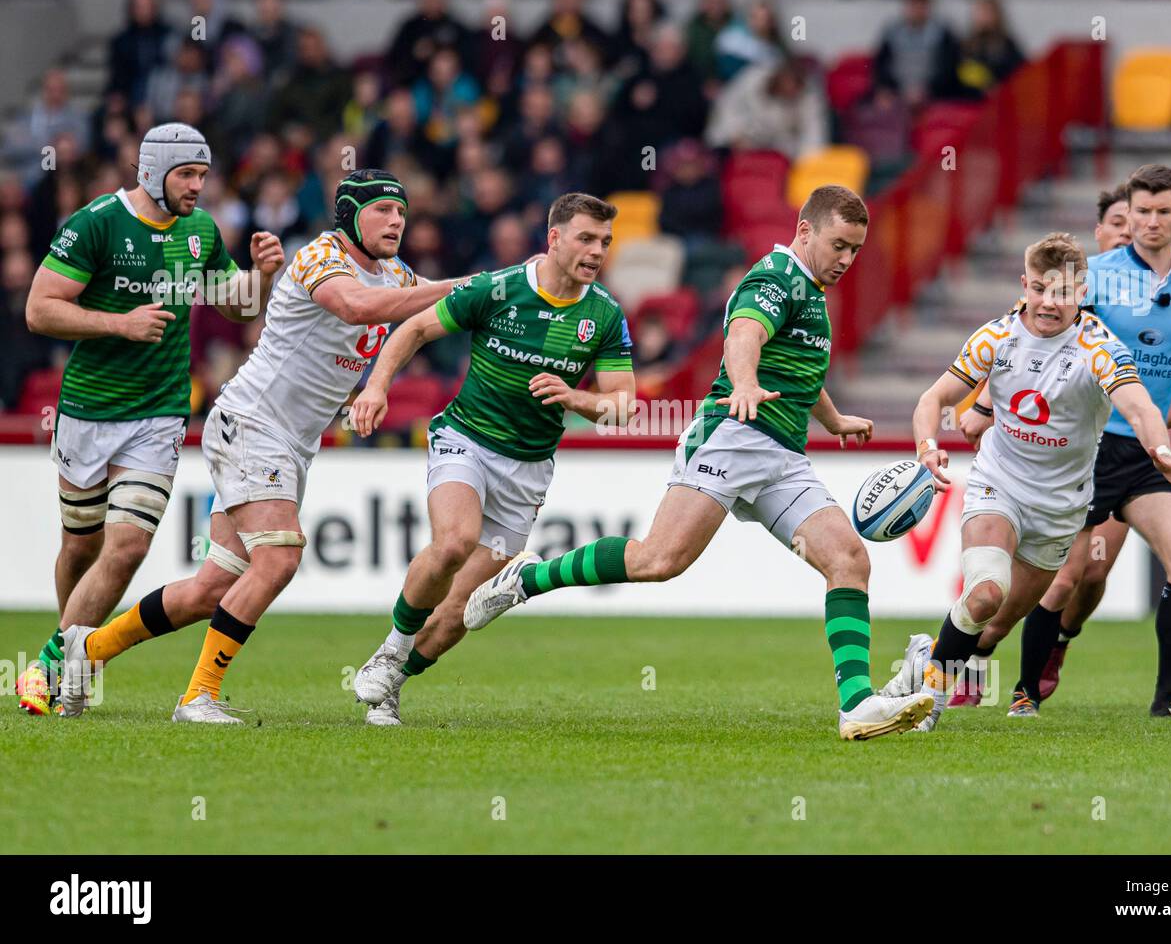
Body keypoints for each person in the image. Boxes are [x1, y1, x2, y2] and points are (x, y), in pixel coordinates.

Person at [459, 186, 936, 742]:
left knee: (849, 559)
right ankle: (529, 578)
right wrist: (747, 383)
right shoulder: (775, 279)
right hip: (731, 439)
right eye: (838, 245)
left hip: (781, 455)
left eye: (855, 249)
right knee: (658, 561)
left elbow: (799, 366)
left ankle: (856, 705)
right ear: (805, 232)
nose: (846, 260)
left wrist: (832, 420)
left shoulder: (810, 293)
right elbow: (744, 336)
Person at [55, 171, 471, 723]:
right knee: (279, 557)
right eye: (381, 210)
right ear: (349, 215)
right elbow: (357, 308)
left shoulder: (396, 272)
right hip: (254, 424)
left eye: (401, 211)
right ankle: (197, 697)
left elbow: (415, 322)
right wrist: (459, 284)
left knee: (212, 587)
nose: (396, 220)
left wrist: (496, 296)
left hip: (291, 443)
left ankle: (87, 649)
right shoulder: (321, 257)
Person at [15, 123, 284, 718]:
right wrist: (119, 322)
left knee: (128, 544)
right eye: (187, 174)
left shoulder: (199, 231)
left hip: (159, 413)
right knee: (80, 547)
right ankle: (77, 664)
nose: (197, 187)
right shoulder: (98, 223)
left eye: (203, 176)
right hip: (87, 408)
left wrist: (261, 276)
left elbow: (234, 304)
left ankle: (52, 663)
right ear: (152, 170)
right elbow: (39, 310)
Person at [345, 193, 634, 725]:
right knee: (454, 541)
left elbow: (622, 406)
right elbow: (414, 329)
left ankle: (392, 684)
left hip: (528, 468)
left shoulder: (605, 314)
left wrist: (578, 399)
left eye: (606, 242)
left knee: (458, 613)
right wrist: (376, 389)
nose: (597, 251)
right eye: (587, 238)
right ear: (554, 238)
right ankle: (390, 648)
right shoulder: (496, 288)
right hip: (467, 439)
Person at [895, 231, 1171, 732]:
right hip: (998, 483)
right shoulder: (997, 336)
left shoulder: (1098, 347)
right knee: (985, 592)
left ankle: (927, 656)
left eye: (1061, 292)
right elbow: (934, 399)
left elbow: (1139, 406)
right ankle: (929, 700)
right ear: (1024, 286)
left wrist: (1160, 450)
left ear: (1081, 293)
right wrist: (928, 447)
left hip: (1060, 507)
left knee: (996, 623)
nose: (1048, 302)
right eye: (1039, 289)